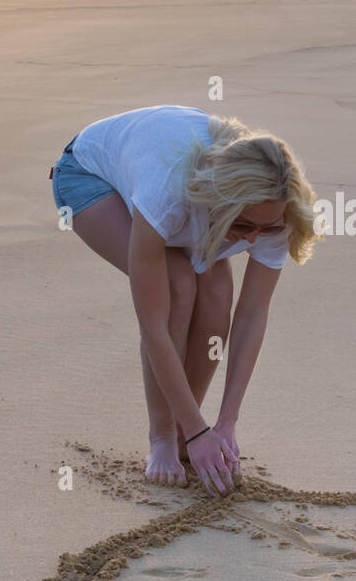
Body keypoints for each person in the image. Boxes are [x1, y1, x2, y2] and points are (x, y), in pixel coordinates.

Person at [50, 105, 318, 496]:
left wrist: (225, 424)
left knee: (217, 294)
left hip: (193, 205)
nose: (254, 239)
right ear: (221, 203)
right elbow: (153, 324)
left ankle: (185, 431)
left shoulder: (275, 210)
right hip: (89, 176)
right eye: (242, 227)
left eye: (268, 228)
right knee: (177, 286)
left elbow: (251, 315)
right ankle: (163, 437)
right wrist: (196, 431)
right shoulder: (168, 191)